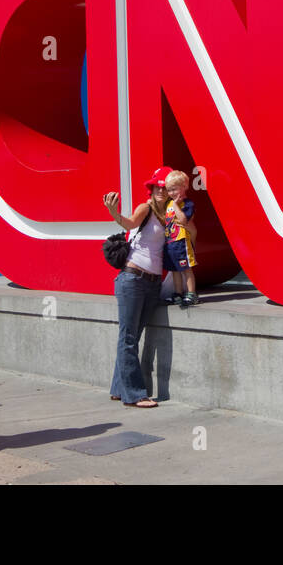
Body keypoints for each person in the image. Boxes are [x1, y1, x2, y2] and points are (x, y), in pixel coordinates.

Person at [103, 166, 172, 408]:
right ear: (151, 188)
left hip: (153, 283)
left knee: (132, 337)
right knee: (128, 337)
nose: (160, 190)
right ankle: (135, 394)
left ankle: (118, 388)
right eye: (157, 186)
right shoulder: (147, 208)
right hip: (133, 278)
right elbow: (129, 222)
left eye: (165, 186)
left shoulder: (171, 214)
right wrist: (114, 212)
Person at [162, 169, 199, 307]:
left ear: (184, 186)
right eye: (169, 190)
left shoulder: (187, 204)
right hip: (170, 242)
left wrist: (176, 205)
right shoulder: (168, 204)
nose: (171, 193)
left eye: (174, 189)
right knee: (175, 269)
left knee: (186, 268)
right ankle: (178, 293)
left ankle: (191, 293)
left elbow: (183, 220)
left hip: (182, 241)